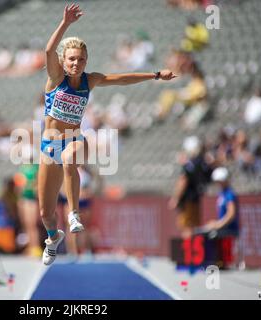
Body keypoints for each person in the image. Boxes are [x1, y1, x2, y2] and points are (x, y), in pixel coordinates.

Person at [39, 3, 176, 266]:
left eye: (80, 59)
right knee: (45, 213)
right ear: (63, 61)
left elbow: (122, 79)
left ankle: (73, 214)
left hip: (74, 141)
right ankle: (53, 237)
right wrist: (65, 23)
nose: (76, 63)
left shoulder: (90, 80)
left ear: (86, 61)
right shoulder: (56, 78)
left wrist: (156, 75)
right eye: (71, 59)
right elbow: (47, 50)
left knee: (70, 157)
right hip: (48, 146)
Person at [168, 136, 213, 238]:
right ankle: (195, 250)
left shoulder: (189, 165)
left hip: (187, 200)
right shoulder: (202, 163)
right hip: (196, 198)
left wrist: (175, 198)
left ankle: (188, 251)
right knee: (195, 226)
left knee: (186, 226)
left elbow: (183, 181)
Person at [201, 167, 239, 268]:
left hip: (230, 227)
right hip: (223, 226)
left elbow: (231, 214)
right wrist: (215, 223)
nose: (218, 184)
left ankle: (219, 262)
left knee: (210, 232)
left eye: (220, 181)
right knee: (204, 229)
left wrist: (218, 225)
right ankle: (210, 261)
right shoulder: (222, 194)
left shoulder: (229, 194)